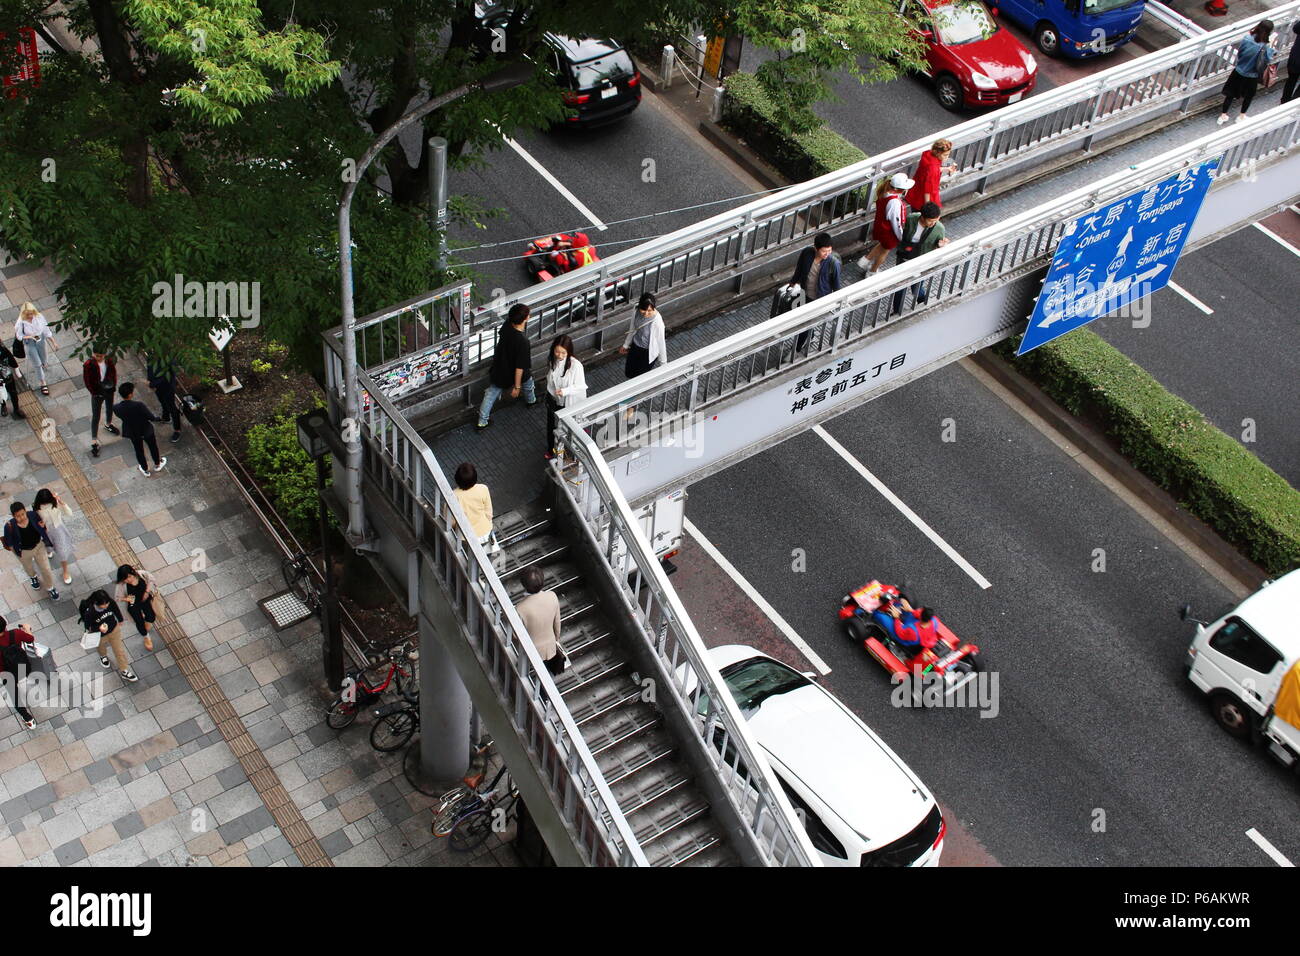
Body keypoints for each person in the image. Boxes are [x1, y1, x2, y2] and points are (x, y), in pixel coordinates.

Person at [477, 303, 536, 431]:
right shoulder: (523, 342)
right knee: (528, 384)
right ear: (526, 318)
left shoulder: (507, 326)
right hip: (515, 373)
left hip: (500, 369)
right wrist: (517, 386)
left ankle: (482, 422)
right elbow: (520, 367)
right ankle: (531, 401)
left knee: (491, 394)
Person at [891, 202, 949, 315]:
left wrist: (940, 245)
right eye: (930, 221)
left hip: (922, 263)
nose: (933, 223)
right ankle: (896, 311)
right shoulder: (911, 219)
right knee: (899, 288)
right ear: (922, 217)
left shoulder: (939, 228)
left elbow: (938, 243)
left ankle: (923, 303)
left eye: (936, 220)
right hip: (905, 259)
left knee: (916, 287)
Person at [1218, 20, 1275, 123]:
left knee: (1230, 94)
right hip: (1252, 75)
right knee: (1248, 96)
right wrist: (1272, 46)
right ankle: (1241, 116)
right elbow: (1267, 59)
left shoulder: (1247, 38)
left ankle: (1223, 115)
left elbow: (1240, 54)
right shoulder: (1265, 46)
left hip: (1239, 70)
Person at [2, 501, 60, 600]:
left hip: (38, 547)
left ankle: (50, 587)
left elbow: (43, 524)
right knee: (28, 567)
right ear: (13, 516)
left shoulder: (33, 515)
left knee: (46, 569)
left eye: (23, 514)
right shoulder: (9, 526)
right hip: (23, 551)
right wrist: (17, 553)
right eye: (18, 516)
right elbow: (10, 542)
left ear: (25, 511)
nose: (21, 517)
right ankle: (33, 577)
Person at [514, 566, 566, 675]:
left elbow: (515, 635)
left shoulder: (520, 608)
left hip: (531, 652)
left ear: (524, 585)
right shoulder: (552, 596)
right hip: (550, 647)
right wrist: (555, 639)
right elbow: (557, 623)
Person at [860, 173, 913, 274]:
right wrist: (901, 236)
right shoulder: (895, 202)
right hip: (890, 232)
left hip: (882, 228)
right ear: (900, 190)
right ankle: (872, 270)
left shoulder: (885, 194)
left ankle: (866, 260)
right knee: (884, 252)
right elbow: (896, 222)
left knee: (882, 245)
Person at [80, 589, 137, 683]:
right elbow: (88, 626)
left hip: (114, 630)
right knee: (101, 647)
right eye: (103, 604)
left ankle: (124, 670)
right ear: (97, 603)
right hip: (100, 635)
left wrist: (120, 619)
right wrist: (99, 628)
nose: (106, 606)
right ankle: (103, 656)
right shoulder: (90, 612)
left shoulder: (110, 603)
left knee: (119, 651)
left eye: (107, 603)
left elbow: (116, 609)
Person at [545, 334, 587, 460]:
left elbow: (581, 385)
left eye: (563, 353)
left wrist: (565, 391)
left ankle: (569, 450)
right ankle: (552, 450)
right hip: (553, 399)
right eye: (557, 351)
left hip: (567, 402)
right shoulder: (553, 360)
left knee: (567, 428)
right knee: (551, 426)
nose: (560, 355)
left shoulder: (576, 366)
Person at [113, 382, 167, 476]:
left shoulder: (116, 408)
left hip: (132, 432)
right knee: (152, 447)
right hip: (146, 430)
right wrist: (158, 418)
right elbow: (151, 417)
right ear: (130, 394)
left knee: (139, 450)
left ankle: (145, 469)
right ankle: (157, 464)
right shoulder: (139, 405)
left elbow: (120, 416)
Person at [0, 615, 38, 728]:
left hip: (6, 673)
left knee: (14, 695)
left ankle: (28, 719)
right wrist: (27, 629)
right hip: (22, 667)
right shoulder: (16, 633)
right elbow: (30, 639)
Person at [32, 488, 75, 586]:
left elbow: (69, 513)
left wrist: (60, 501)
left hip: (58, 530)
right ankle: (49, 551)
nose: (46, 505)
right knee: (47, 547)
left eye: (47, 503)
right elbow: (37, 520)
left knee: (62, 552)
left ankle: (65, 572)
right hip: (46, 532)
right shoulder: (37, 508)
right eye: (44, 504)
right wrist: (41, 525)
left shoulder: (55, 503)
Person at [14, 301, 58, 397]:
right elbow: (19, 336)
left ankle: (44, 365)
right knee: (37, 364)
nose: (30, 316)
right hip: (30, 343)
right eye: (28, 314)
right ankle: (43, 382)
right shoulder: (21, 322)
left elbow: (46, 330)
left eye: (31, 313)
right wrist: (29, 337)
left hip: (40, 339)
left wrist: (53, 342)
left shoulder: (39, 316)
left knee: (43, 359)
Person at [620, 292, 667, 379]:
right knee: (629, 373)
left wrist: (663, 365)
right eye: (644, 310)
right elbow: (632, 327)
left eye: (649, 310)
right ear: (640, 307)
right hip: (635, 346)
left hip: (647, 353)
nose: (646, 313)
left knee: (640, 378)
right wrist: (626, 345)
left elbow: (661, 343)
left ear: (654, 308)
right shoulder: (636, 310)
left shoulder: (658, 323)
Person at [82, 348, 120, 457]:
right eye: (97, 355)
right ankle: (94, 440)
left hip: (108, 388)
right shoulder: (88, 364)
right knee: (96, 415)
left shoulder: (109, 360)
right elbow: (87, 381)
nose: (99, 358)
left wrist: (113, 384)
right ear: (94, 354)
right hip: (97, 392)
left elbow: (113, 373)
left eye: (101, 356)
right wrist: (94, 393)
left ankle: (108, 424)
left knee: (109, 407)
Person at [115, 563, 160, 651]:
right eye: (125, 579)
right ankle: (146, 637)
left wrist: (147, 591)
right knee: (139, 622)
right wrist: (126, 599)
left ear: (133, 572)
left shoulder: (141, 574)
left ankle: (146, 623)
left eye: (129, 577)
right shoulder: (121, 585)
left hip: (144, 599)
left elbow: (151, 580)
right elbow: (117, 598)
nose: (128, 580)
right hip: (133, 604)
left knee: (151, 617)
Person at [452, 462, 495, 548]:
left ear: (457, 479)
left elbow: (451, 522)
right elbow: (489, 512)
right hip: (485, 532)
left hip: (465, 537)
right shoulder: (483, 489)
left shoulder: (453, 496)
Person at [906, 139, 957, 211]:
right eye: (945, 155)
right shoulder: (933, 169)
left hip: (915, 192)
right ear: (937, 153)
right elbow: (928, 190)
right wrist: (928, 207)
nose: (947, 157)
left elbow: (929, 172)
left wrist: (945, 168)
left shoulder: (927, 154)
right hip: (923, 201)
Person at [146, 355, 183, 443]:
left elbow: (169, 374)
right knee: (162, 401)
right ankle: (166, 417)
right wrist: (150, 381)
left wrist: (152, 384)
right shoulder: (152, 355)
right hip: (157, 386)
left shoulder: (169, 358)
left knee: (172, 407)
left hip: (167, 387)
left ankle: (177, 429)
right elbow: (150, 368)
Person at [0, 338, 24, 420]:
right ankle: (3, 406)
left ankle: (16, 409)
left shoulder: (2, 349)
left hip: (6, 374)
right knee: (1, 394)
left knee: (13, 392)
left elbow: (10, 358)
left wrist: (16, 369)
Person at [1282, 22, 1300, 104]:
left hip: (1296, 57)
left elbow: (1295, 29)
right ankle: (1293, 103)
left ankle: (1284, 102)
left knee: (1291, 81)